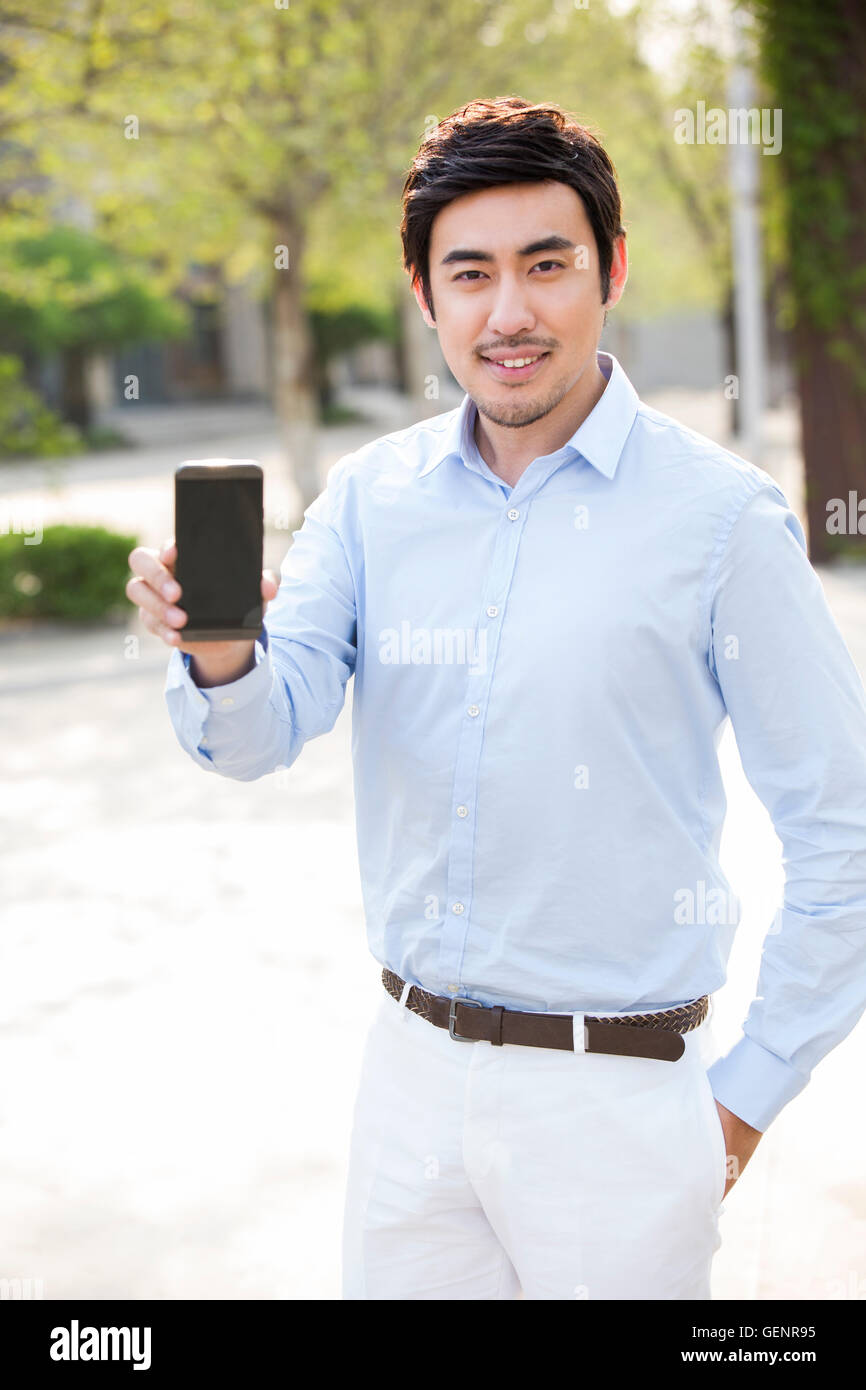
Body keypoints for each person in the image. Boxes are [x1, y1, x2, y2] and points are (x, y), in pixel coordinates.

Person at [126, 97, 866, 1301]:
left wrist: (739, 1102)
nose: (507, 312)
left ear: (609, 270)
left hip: (623, 1114)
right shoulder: (371, 501)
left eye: (546, 265)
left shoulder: (721, 524)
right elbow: (260, 737)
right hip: (409, 1090)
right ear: (425, 294)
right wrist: (216, 652)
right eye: (468, 273)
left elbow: (843, 829)